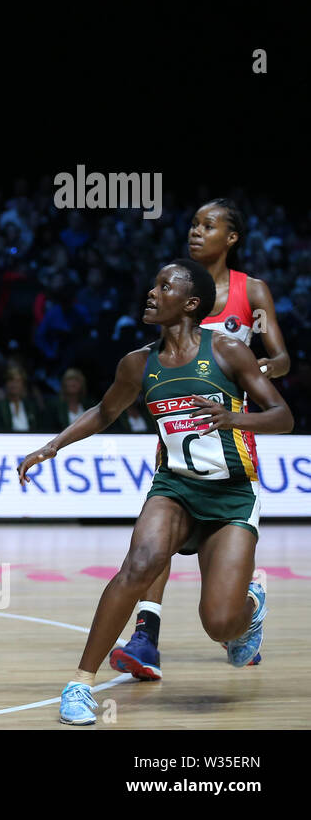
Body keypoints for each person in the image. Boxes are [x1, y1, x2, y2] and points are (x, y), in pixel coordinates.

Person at [18, 259, 292, 725]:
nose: (151, 292)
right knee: (138, 566)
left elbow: (282, 416)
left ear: (190, 303)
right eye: (153, 284)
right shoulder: (137, 363)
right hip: (174, 488)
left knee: (220, 624)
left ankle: (251, 605)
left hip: (231, 495)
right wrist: (52, 445)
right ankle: (80, 684)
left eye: (164, 286)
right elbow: (104, 413)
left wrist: (234, 418)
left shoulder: (228, 351)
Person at [110, 200, 291, 681]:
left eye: (208, 226)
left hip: (225, 424)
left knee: (215, 597)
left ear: (231, 237)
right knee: (157, 534)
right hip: (174, 421)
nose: (196, 232)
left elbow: (281, 358)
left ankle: (240, 608)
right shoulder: (179, 284)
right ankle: (146, 635)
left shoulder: (250, 291)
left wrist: (254, 373)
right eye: (193, 224)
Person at [0, 364, 40, 431]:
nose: (14, 384)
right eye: (11, 380)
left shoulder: (31, 407)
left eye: (18, 381)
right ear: (6, 384)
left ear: (23, 384)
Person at [45, 367, 90, 432]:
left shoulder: (89, 405)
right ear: (63, 383)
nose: (73, 383)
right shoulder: (54, 406)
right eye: (69, 380)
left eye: (76, 380)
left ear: (82, 384)